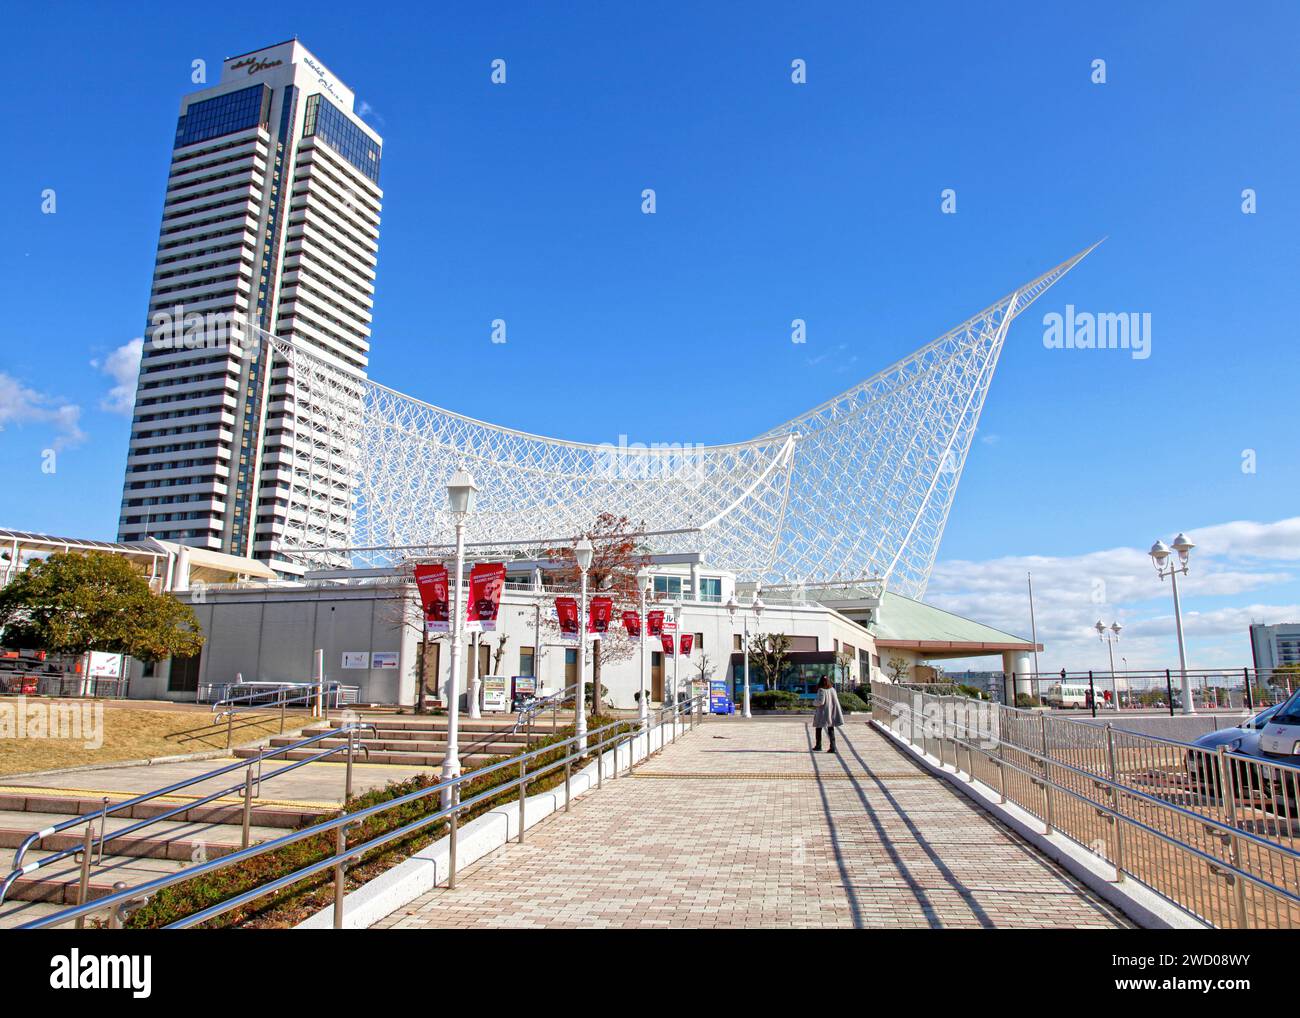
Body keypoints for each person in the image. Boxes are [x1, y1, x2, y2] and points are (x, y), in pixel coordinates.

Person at [812, 675, 844, 752]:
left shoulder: (821, 690)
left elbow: (821, 702)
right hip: (831, 712)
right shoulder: (832, 689)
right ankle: (833, 747)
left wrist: (813, 703)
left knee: (818, 728)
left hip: (822, 712)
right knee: (831, 729)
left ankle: (818, 745)